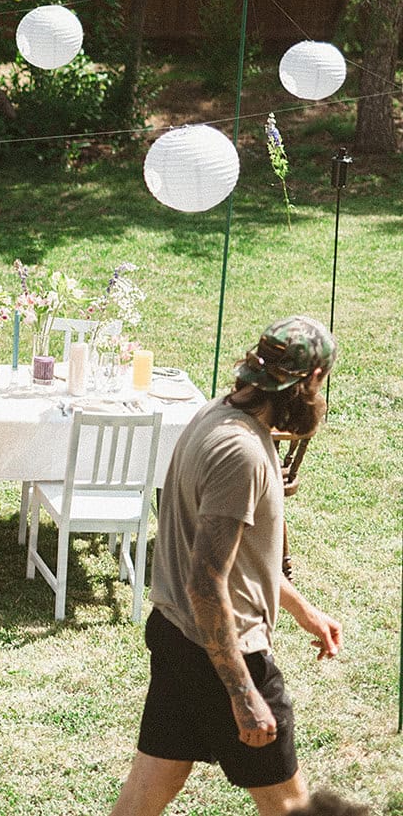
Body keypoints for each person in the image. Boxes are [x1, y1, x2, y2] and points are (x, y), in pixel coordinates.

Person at [110, 315, 342, 816]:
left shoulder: (216, 413)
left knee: (153, 783)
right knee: (290, 804)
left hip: (176, 635)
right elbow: (206, 582)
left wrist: (303, 610)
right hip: (223, 650)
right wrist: (244, 694)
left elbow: (237, 559)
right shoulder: (242, 455)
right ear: (309, 383)